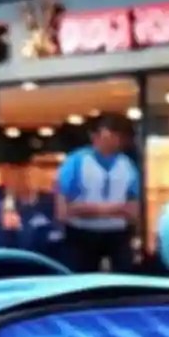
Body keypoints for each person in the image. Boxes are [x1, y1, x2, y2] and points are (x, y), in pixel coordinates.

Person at [55, 113, 140, 273]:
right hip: (82, 234)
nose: (114, 139)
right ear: (96, 135)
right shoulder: (76, 161)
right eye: (109, 133)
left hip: (118, 235)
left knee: (123, 278)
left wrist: (88, 209)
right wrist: (112, 210)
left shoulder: (127, 165)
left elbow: (133, 210)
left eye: (118, 135)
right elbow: (64, 210)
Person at [6, 166, 62, 262]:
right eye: (25, 178)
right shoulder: (13, 205)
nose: (28, 182)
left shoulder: (48, 203)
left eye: (31, 178)